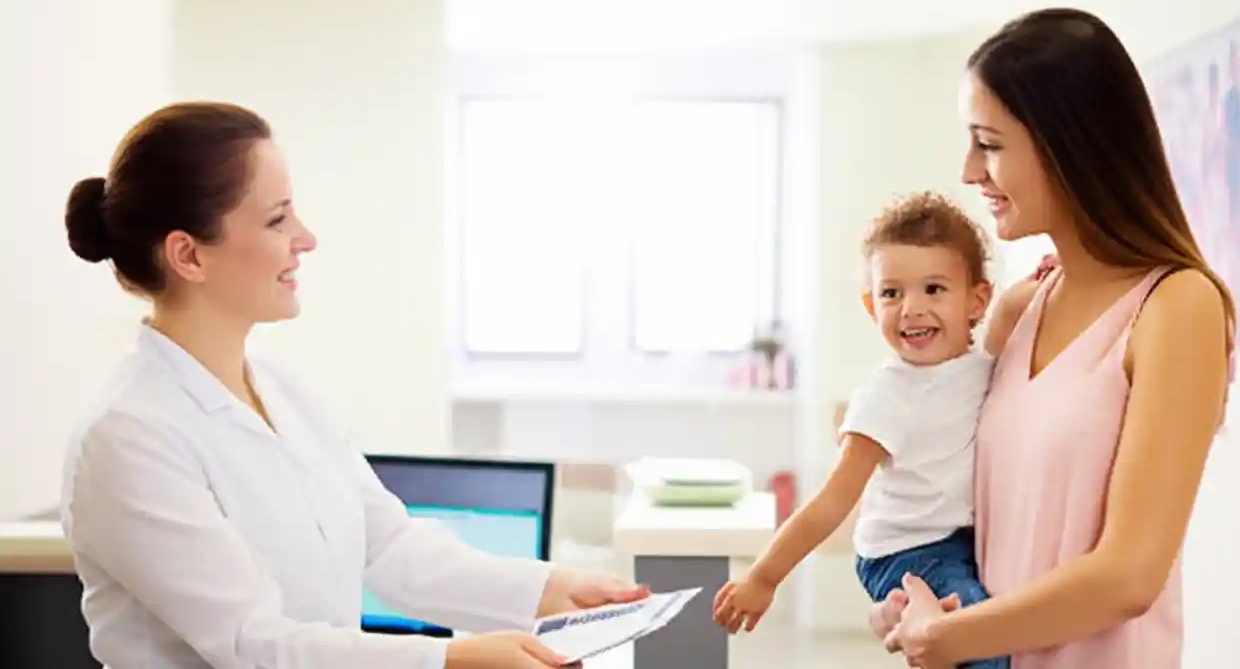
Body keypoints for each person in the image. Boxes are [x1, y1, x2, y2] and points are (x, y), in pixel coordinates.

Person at [60, 101, 648, 669]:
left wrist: (553, 589)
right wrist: (452, 660)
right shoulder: (128, 435)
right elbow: (251, 644)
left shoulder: (282, 389)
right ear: (188, 254)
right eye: (276, 219)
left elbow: (388, 546)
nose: (305, 238)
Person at [875, 8, 1234, 668]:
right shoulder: (1022, 308)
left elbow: (1129, 576)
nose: (968, 170)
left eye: (989, 142)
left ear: (1071, 143)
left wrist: (949, 637)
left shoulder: (1178, 307)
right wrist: (922, 601)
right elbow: (997, 526)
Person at [711, 191, 1009, 669]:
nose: (911, 308)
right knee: (980, 639)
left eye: (933, 289)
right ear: (873, 306)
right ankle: (901, 611)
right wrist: (764, 577)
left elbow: (1019, 309)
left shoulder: (979, 366)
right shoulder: (888, 396)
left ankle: (895, 614)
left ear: (977, 301)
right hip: (908, 548)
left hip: (959, 539)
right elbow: (832, 499)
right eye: (892, 293)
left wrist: (1052, 275)